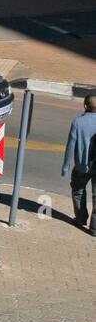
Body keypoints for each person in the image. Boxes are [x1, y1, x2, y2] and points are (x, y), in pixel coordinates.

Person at [64, 96, 96, 233]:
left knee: (78, 190)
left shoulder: (78, 122)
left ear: (85, 106)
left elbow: (70, 146)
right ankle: (94, 227)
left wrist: (65, 166)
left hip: (82, 166)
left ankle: (81, 218)